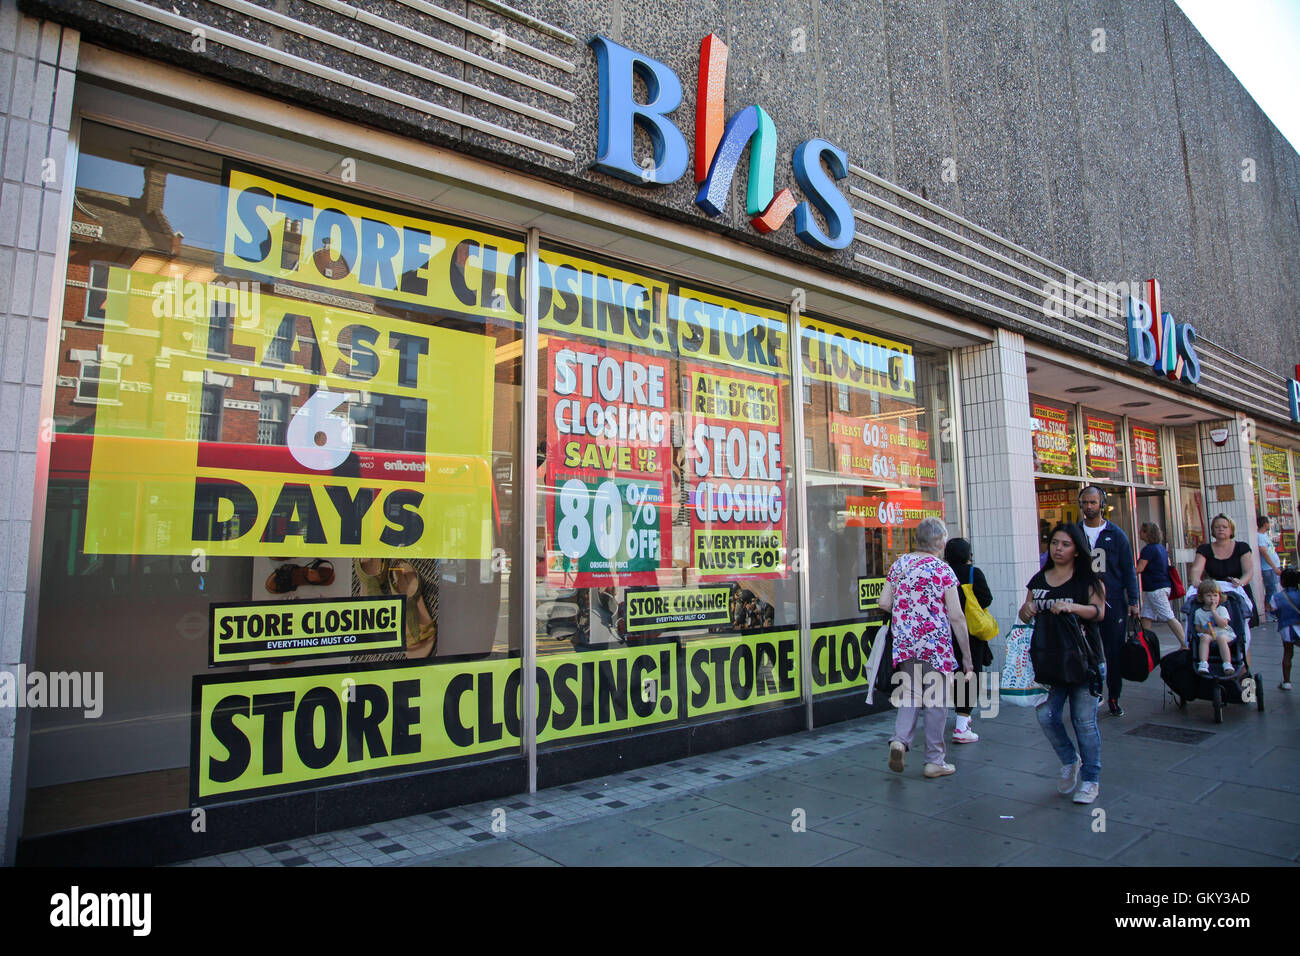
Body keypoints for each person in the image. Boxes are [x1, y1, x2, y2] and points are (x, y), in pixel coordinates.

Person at [878, 517, 973, 779]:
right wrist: (966, 656)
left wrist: (906, 608)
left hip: (906, 643)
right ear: (940, 541)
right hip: (935, 645)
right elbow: (956, 615)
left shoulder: (900, 565)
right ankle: (934, 760)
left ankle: (899, 740)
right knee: (936, 702)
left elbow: (884, 602)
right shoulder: (943, 571)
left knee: (910, 694)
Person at [1019, 522, 1106, 804]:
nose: (1058, 548)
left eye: (1065, 544)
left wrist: (1072, 607)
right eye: (1055, 543)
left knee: (1084, 722)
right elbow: (1024, 614)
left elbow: (1099, 612)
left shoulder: (1087, 582)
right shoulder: (1039, 579)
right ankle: (1070, 760)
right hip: (1050, 661)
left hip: (1084, 660)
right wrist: (1028, 609)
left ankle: (1091, 779)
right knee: (1046, 715)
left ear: (1077, 550)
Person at [1075, 486, 1139, 716]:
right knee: (1086, 650)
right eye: (1085, 502)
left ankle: (1114, 695)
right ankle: (1093, 691)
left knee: (1113, 651)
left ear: (1102, 504)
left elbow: (1128, 569)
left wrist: (1134, 600)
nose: (1089, 507)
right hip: (1081, 601)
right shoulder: (1075, 533)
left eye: (1093, 502)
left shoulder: (1116, 534)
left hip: (1112, 601)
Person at [944, 537, 994, 743]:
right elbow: (986, 599)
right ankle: (961, 727)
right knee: (970, 674)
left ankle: (962, 715)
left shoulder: (943, 573)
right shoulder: (973, 573)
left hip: (946, 632)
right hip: (971, 632)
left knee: (955, 676)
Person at [1190, 513, 1256, 662]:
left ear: (1231, 530)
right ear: (1213, 530)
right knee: (1209, 632)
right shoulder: (1205, 549)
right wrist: (1195, 580)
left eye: (1224, 527)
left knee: (1242, 636)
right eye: (1217, 527)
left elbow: (1249, 571)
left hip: (1236, 594)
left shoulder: (1242, 547)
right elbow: (1196, 569)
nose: (1221, 530)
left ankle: (1245, 670)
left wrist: (1241, 582)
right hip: (1213, 593)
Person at [1135, 522, 1187, 649]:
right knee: (1146, 615)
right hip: (1161, 586)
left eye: (1142, 531)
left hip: (1155, 588)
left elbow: (1140, 568)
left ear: (1147, 534)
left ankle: (1185, 643)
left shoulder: (1148, 550)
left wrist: (1125, 572)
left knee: (1168, 616)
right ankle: (1143, 642)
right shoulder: (1161, 548)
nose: (1139, 533)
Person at [1192, 579, 1236, 676]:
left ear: (1219, 596)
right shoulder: (1198, 612)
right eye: (1209, 596)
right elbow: (1197, 627)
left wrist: (1213, 611)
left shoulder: (1221, 609)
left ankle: (1227, 663)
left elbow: (1223, 624)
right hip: (1209, 634)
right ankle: (1203, 663)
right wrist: (1204, 630)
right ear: (1202, 597)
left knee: (1221, 638)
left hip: (1224, 632)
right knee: (1204, 637)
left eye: (1215, 595)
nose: (1212, 599)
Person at [1268, 567, 1299, 690]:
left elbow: (1272, 613)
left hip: (1286, 628)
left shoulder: (1277, 597)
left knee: (1288, 653)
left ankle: (1287, 682)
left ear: (1282, 582)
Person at [1257, 515, 1282, 621]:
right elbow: (1264, 552)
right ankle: (1267, 611)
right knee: (1271, 589)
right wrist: (1273, 567)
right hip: (1268, 568)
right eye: (1268, 522)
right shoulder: (1259, 536)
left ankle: (1273, 610)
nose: (1269, 524)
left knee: (1276, 589)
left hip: (1273, 567)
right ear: (1265, 524)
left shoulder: (1265, 535)